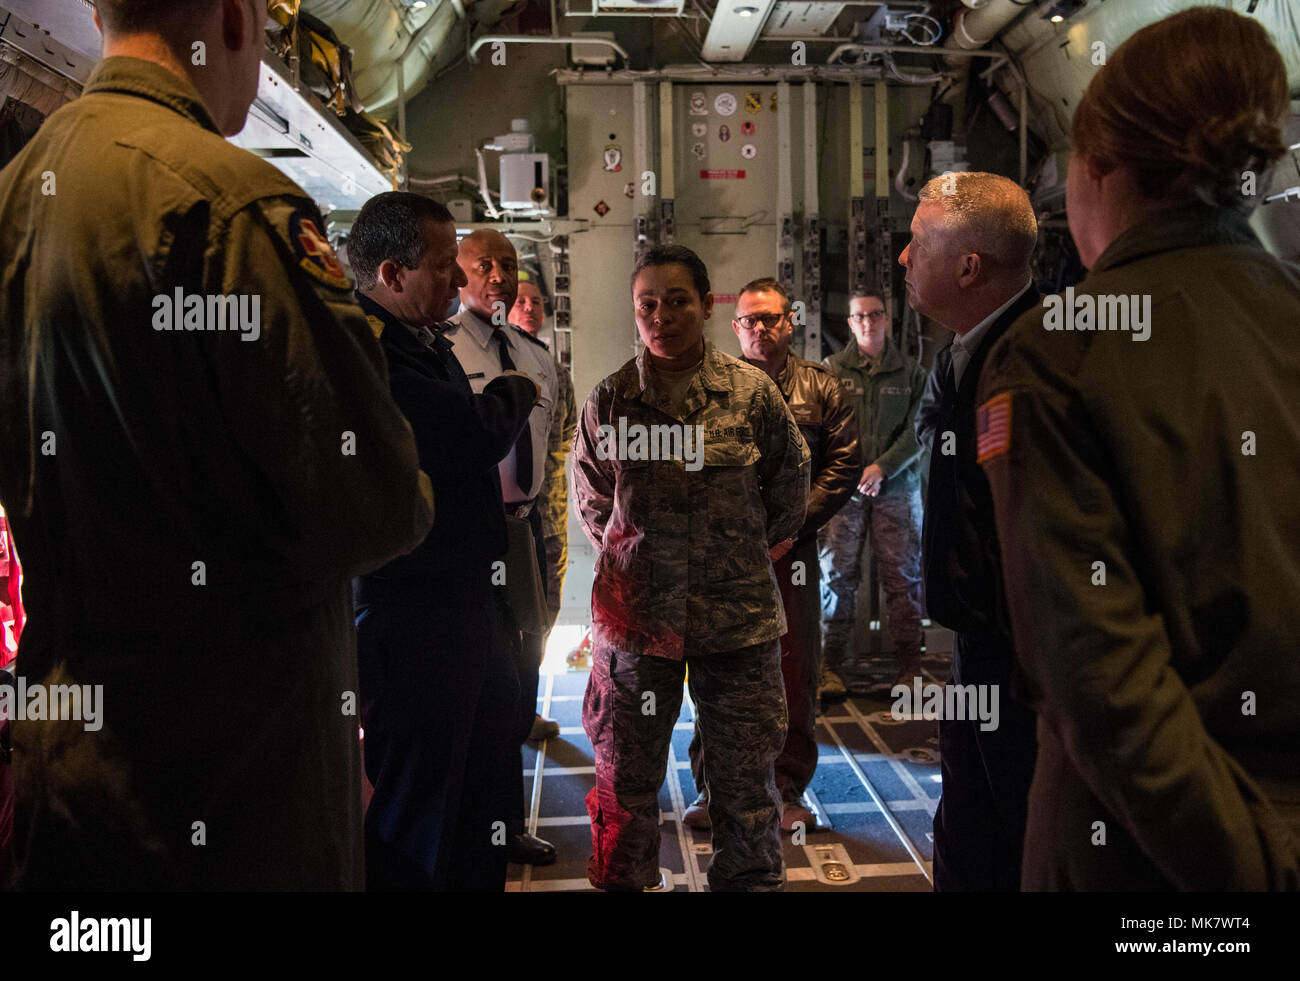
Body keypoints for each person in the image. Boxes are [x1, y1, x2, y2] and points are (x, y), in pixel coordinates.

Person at [0, 0, 434, 889]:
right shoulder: (231, 204)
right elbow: (375, 504)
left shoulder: (17, 194)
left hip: (68, 766)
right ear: (237, 20)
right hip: (232, 783)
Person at [977, 6, 1300, 890]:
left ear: (1100, 167)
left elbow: (1100, 682)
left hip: (1144, 858)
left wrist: (1252, 872)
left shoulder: (1060, 350)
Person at [573, 245, 810, 892]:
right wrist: (639, 563)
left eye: (677, 300)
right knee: (624, 781)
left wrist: (738, 551)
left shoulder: (750, 393)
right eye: (647, 304)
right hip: (635, 621)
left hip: (736, 623)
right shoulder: (612, 399)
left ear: (707, 306)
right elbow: (593, 502)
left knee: (746, 785)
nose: (662, 315)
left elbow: (790, 486)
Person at [349, 193, 538, 890]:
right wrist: (513, 394)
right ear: (393, 274)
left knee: (479, 786)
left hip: (465, 606)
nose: (460, 284)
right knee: (421, 807)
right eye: (443, 267)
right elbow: (465, 434)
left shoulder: (421, 339)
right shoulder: (370, 351)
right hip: (414, 615)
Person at [898, 170, 1041, 891]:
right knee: (969, 816)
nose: (902, 257)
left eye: (918, 242)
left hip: (1025, 656)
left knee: (1019, 825)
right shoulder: (962, 350)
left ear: (968, 266)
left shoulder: (1040, 360)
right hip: (974, 638)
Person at [684, 277, 859, 833]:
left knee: (794, 669)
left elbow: (843, 467)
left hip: (795, 555)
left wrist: (787, 528)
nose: (759, 328)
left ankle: (786, 791)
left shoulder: (824, 388)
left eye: (770, 319)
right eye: (748, 320)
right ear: (735, 328)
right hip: (724, 555)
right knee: (718, 668)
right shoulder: (709, 386)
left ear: (790, 323)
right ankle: (713, 788)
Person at [442, 231, 560, 866]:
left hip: (523, 529)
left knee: (522, 673)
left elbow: (556, 432)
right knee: (473, 681)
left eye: (507, 265)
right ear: (456, 274)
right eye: (482, 265)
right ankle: (469, 822)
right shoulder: (440, 351)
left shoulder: (537, 356)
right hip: (463, 531)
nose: (498, 276)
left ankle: (506, 823)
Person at [818, 292, 927, 699]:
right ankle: (830, 668)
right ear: (849, 322)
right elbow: (824, 430)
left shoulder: (911, 374)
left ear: (887, 317)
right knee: (836, 577)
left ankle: (910, 669)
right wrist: (852, 472)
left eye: (875, 314)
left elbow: (920, 428)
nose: (868, 322)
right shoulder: (831, 371)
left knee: (903, 578)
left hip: (897, 489)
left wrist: (883, 467)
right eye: (859, 316)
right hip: (846, 493)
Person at [510, 277, 578, 638]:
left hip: (550, 514)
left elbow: (569, 432)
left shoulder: (556, 372)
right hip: (504, 520)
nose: (529, 308)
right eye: (520, 301)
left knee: (545, 615)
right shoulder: (486, 363)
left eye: (536, 301)